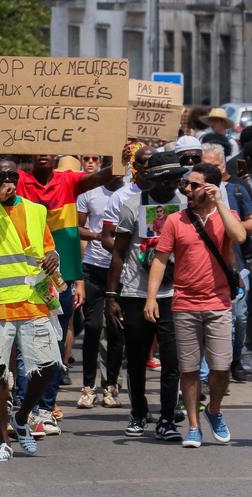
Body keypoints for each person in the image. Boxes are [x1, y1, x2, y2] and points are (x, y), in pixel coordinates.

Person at [0, 158, 62, 462]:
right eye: (1, 176)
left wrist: (55, 257)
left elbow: (48, 248)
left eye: (12, 175)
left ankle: (21, 417)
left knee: (47, 366)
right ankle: (4, 440)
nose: (8, 180)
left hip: (33, 301)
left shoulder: (35, 210)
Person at [146, 163, 247, 448]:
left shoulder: (227, 216)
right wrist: (151, 298)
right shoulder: (175, 220)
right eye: (186, 184)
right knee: (188, 369)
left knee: (221, 368)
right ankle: (193, 426)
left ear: (210, 188)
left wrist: (220, 203)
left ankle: (213, 410)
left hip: (219, 303)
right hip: (184, 303)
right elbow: (160, 260)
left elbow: (240, 236)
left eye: (194, 184)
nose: (187, 189)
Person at [15, 154, 114, 423]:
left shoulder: (69, 181)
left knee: (55, 343)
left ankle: (46, 407)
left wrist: (119, 151)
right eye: (37, 148)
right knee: (25, 345)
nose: (43, 153)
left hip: (61, 278)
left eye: (48, 149)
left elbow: (106, 176)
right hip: (24, 276)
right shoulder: (19, 180)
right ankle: (25, 408)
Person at [108, 151, 187, 440]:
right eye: (165, 179)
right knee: (137, 356)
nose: (170, 185)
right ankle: (139, 412)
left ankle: (167, 418)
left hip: (173, 293)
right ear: (151, 179)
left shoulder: (185, 206)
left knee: (171, 359)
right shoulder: (133, 205)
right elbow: (119, 252)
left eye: (175, 179)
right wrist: (111, 295)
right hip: (135, 292)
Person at [202, 142, 252, 382]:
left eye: (213, 166)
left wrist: (230, 227)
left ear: (223, 167)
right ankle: (211, 372)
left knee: (239, 317)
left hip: (236, 265)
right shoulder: (193, 193)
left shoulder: (237, 190)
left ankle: (235, 359)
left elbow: (249, 222)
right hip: (205, 268)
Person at [76, 173, 125, 408]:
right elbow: (77, 227)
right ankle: (88, 387)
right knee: (93, 327)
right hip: (93, 266)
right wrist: (97, 235)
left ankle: (111, 386)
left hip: (121, 269)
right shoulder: (89, 194)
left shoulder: (130, 193)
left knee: (115, 330)